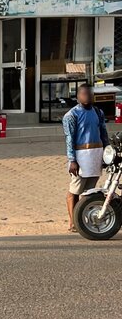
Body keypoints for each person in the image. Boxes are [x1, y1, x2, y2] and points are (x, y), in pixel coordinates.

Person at [63, 83, 109, 231]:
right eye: (83, 94)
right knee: (75, 190)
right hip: (81, 157)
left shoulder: (98, 112)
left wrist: (107, 154)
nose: (87, 97)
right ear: (77, 97)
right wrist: (72, 160)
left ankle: (82, 221)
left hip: (96, 155)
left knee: (89, 192)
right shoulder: (71, 115)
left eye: (89, 94)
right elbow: (69, 139)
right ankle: (72, 222)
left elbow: (103, 133)